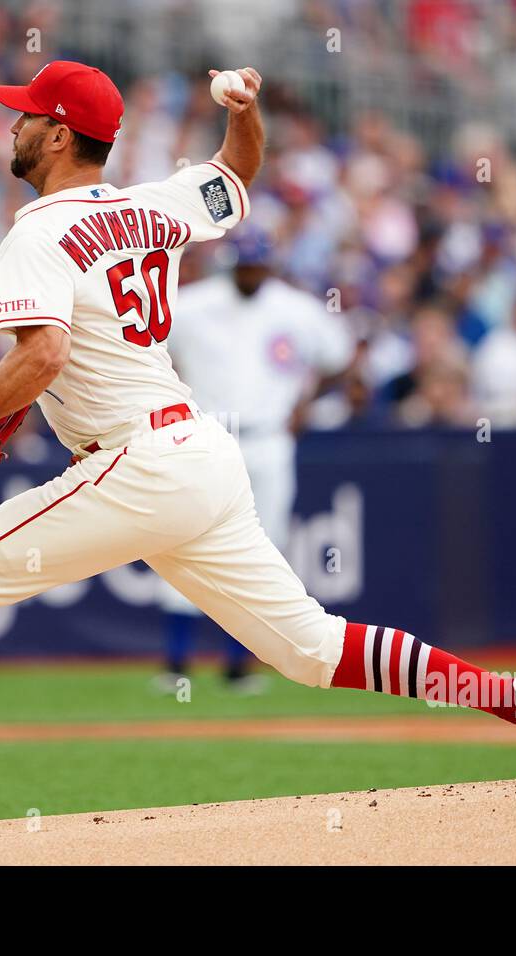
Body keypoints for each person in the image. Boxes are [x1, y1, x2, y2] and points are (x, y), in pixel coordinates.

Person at [0, 61, 516, 839]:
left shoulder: (32, 238)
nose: (13, 125)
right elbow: (236, 173)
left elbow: (42, 355)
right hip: (196, 453)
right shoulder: (153, 204)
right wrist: (246, 111)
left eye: (27, 114)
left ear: (60, 134)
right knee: (308, 648)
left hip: (141, 458)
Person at [154, 226, 353, 693]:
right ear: (231, 264)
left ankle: (239, 666)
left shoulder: (296, 308)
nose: (251, 272)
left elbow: (341, 357)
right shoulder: (194, 303)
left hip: (269, 439)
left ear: (270, 264)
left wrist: (307, 404)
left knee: (265, 550)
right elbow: (150, 354)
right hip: (205, 436)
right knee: (181, 537)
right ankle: (176, 663)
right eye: (243, 264)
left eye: (257, 264)